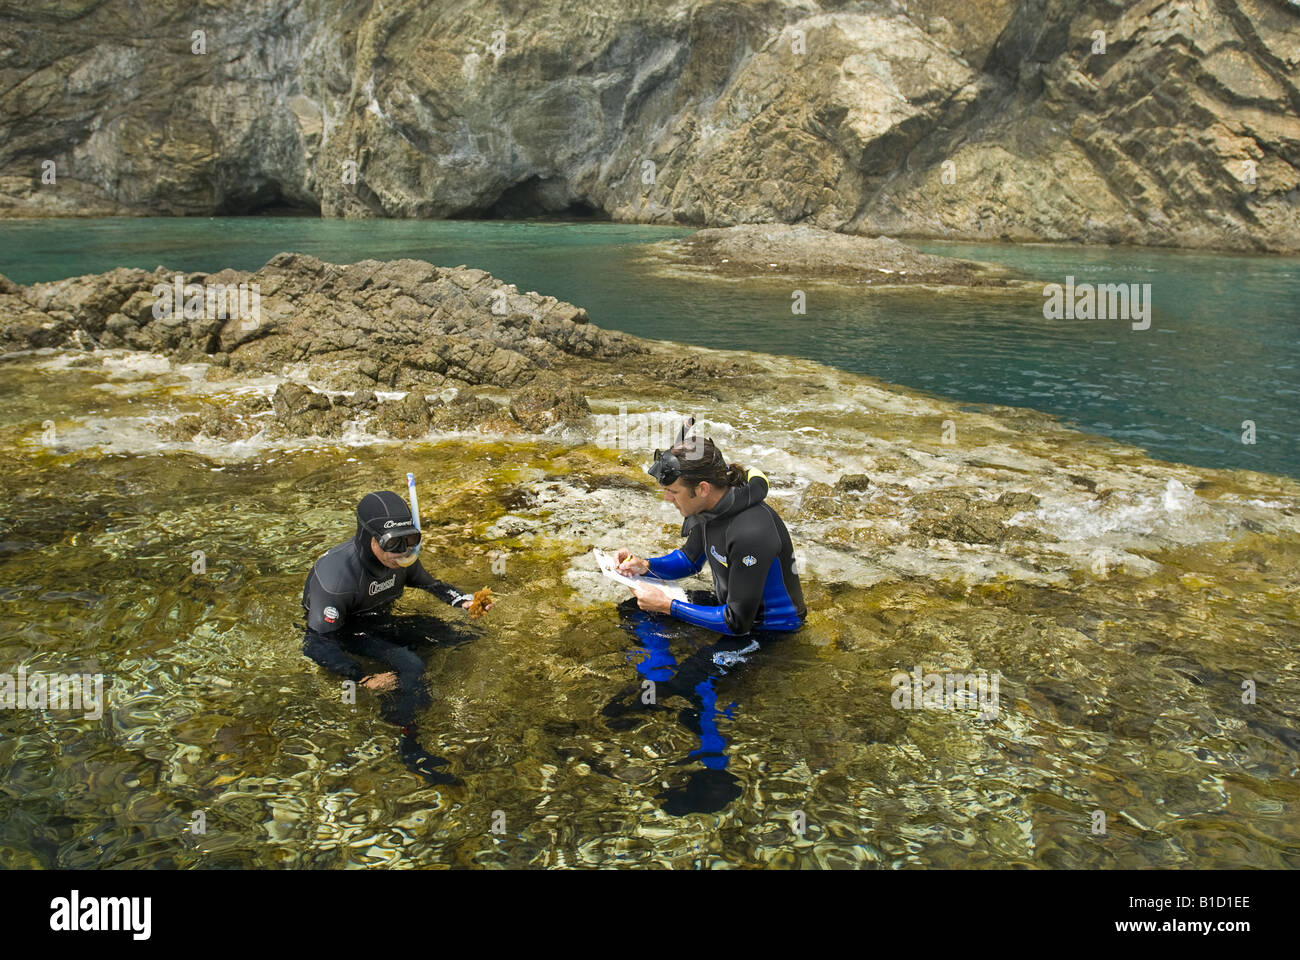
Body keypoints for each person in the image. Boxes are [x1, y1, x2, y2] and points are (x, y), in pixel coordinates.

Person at [603, 433, 806, 813]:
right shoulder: (708, 512)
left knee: (695, 677)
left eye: (674, 492)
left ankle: (715, 769)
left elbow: (737, 622)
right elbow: (688, 561)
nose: (668, 499)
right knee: (634, 609)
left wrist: (671, 606)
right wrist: (645, 566)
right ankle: (660, 676)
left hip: (765, 629)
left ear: (703, 487)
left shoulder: (751, 530)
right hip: (734, 607)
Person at [300, 490, 490, 784]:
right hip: (348, 632)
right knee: (411, 665)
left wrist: (463, 601)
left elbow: (432, 584)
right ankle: (408, 741)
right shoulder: (337, 577)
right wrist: (360, 676)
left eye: (411, 540)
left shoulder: (400, 560)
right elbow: (315, 643)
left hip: (381, 622)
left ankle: (419, 698)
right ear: (370, 539)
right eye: (394, 543)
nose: (403, 552)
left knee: (464, 636)